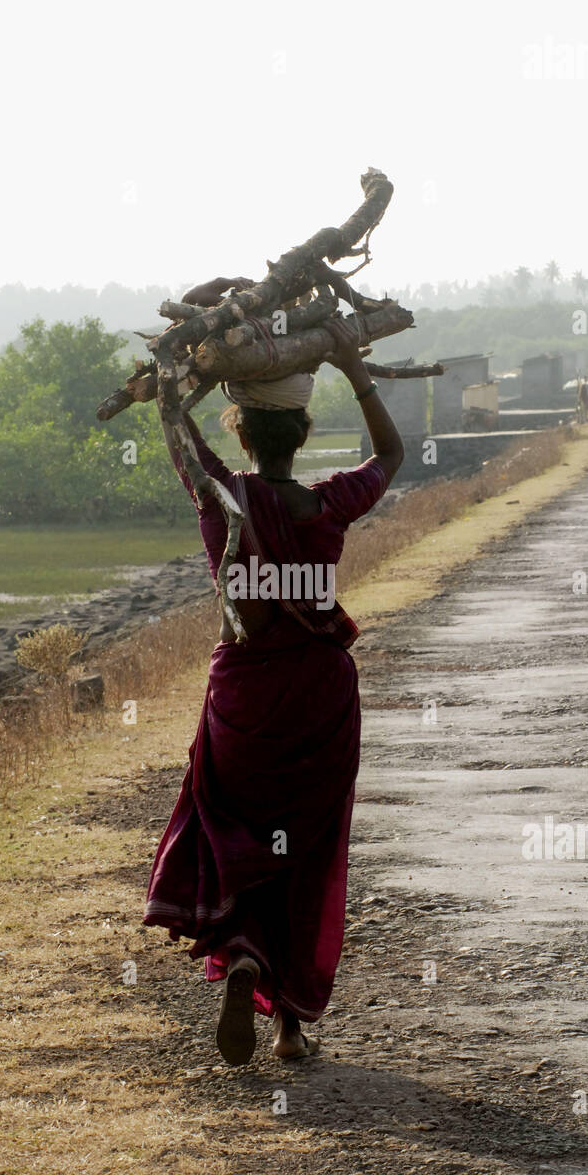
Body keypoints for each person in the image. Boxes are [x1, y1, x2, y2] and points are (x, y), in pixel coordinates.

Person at [143, 297, 404, 1066]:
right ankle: (290, 1023)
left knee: (242, 830)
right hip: (321, 698)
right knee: (310, 846)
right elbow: (390, 455)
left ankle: (245, 953)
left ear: (242, 432)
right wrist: (356, 370)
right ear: (304, 434)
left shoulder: (220, 498)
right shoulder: (328, 505)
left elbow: (174, 432)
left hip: (243, 699)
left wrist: (180, 375)